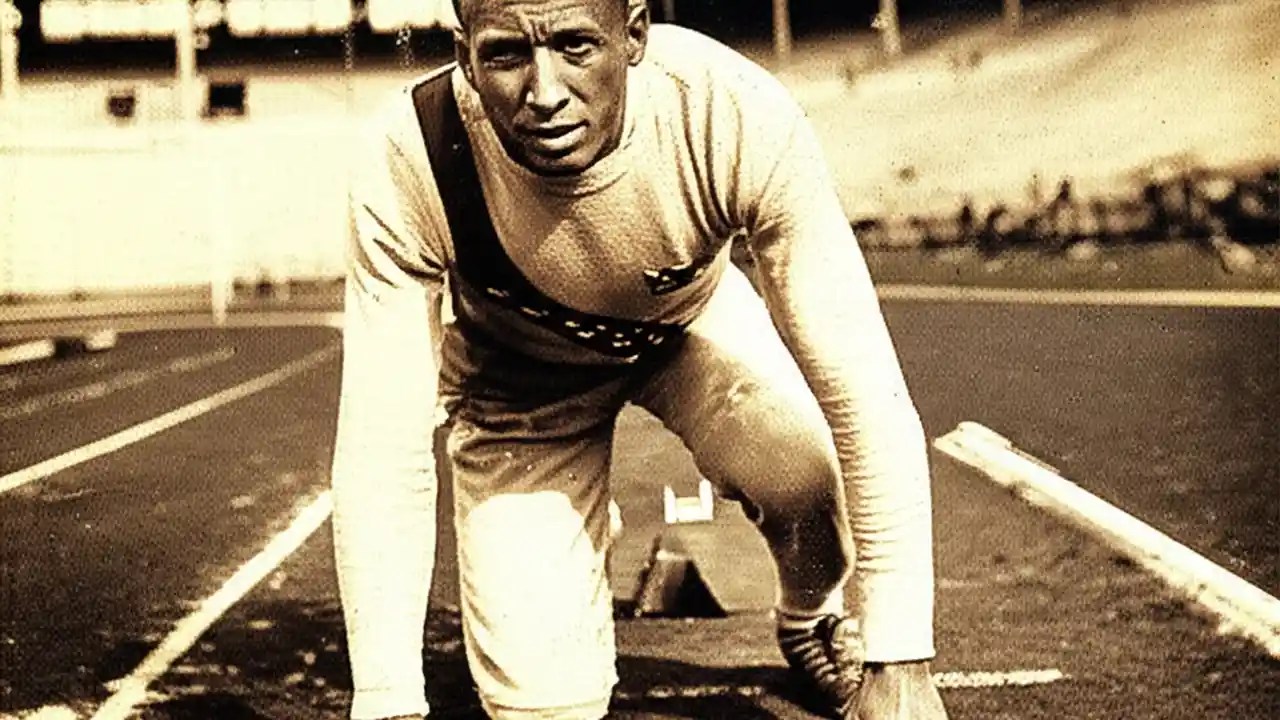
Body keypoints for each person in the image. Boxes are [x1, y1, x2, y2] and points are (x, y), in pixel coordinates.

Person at [330, 0, 948, 718]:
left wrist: (901, 657)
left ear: (634, 35)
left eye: (574, 44)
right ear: (464, 54)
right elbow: (383, 446)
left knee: (801, 474)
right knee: (544, 708)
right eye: (506, 55)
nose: (546, 92)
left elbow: (864, 386)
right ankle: (566, 543)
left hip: (686, 329)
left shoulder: (729, 111)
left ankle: (810, 617)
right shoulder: (411, 153)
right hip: (522, 387)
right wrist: (387, 695)